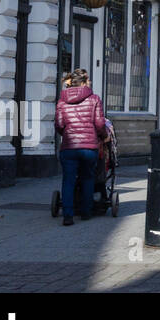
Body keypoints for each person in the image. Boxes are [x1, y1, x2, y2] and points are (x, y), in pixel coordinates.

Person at [54, 68, 107, 226]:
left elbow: (58, 125)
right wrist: (103, 136)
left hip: (69, 147)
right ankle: (86, 212)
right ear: (83, 82)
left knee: (68, 180)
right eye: (88, 79)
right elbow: (99, 124)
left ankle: (68, 215)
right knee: (88, 177)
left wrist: (67, 134)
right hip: (89, 147)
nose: (90, 82)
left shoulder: (62, 100)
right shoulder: (94, 99)